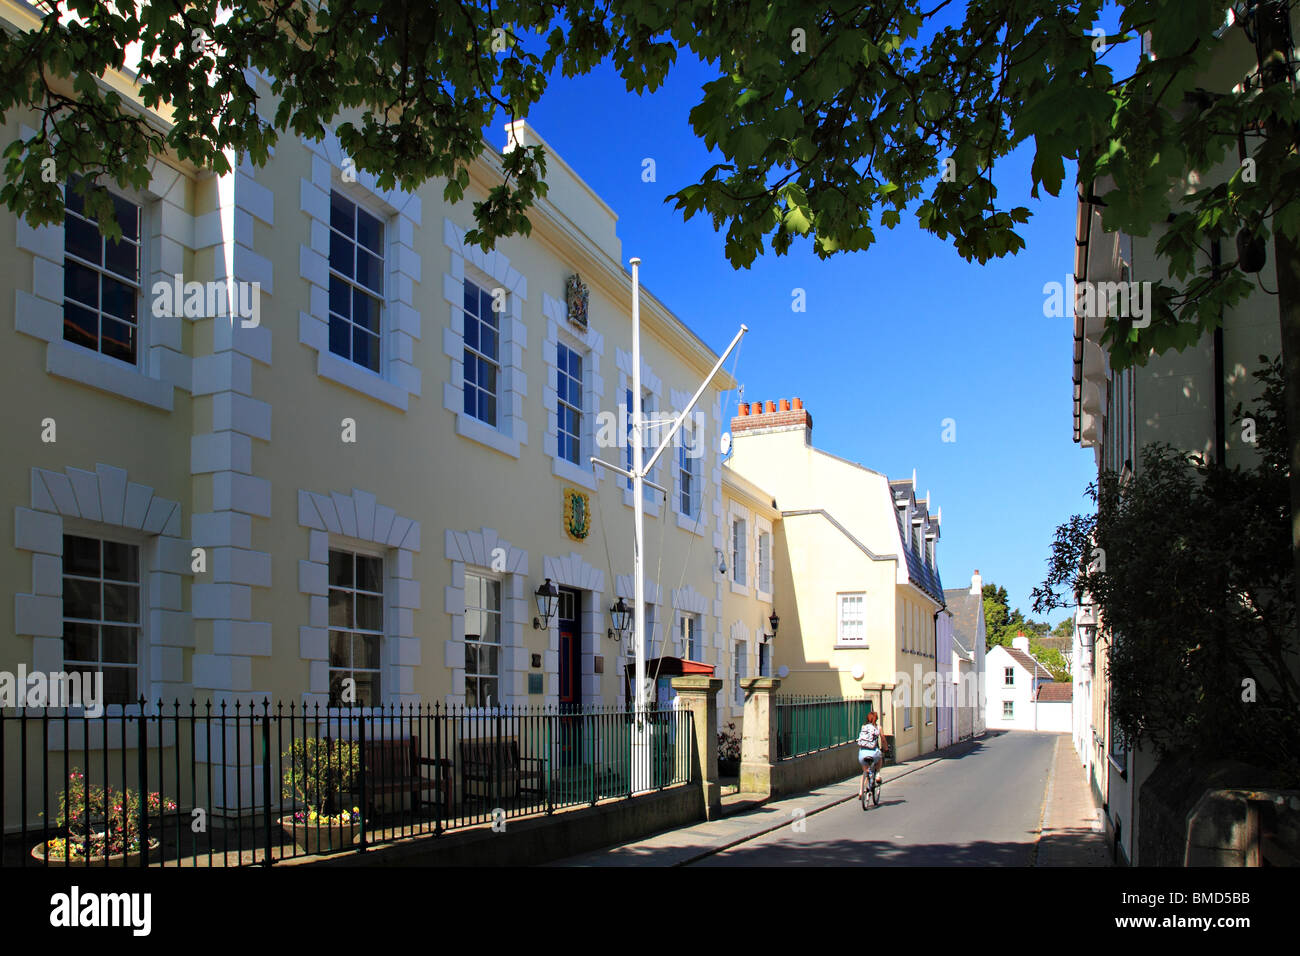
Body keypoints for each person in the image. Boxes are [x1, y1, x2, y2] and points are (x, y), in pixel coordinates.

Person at [857, 712, 885, 799]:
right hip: (873, 752)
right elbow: (883, 740)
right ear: (876, 719)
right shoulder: (878, 728)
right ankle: (877, 774)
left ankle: (861, 792)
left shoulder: (863, 727)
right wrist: (886, 749)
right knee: (879, 757)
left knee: (865, 772)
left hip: (862, 753)